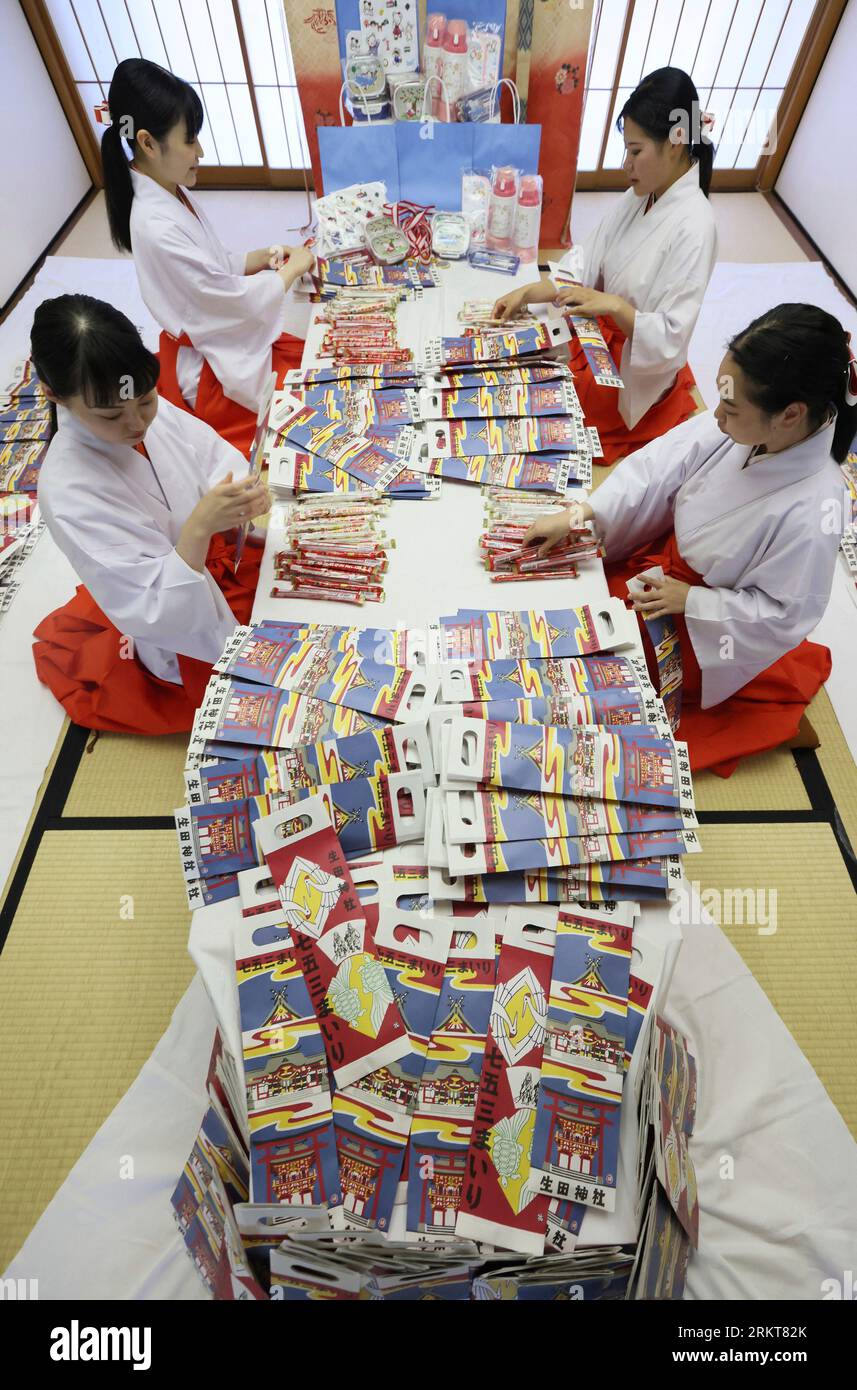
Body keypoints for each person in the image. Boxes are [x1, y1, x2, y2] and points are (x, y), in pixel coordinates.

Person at [522, 304, 855, 776]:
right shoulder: (745, 420)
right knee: (561, 604)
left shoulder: (818, 504)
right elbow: (658, 468)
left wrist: (694, 600)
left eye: (731, 408)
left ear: (790, 414)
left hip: (701, 624)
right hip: (662, 570)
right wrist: (584, 512)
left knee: (584, 681)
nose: (714, 415)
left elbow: (786, 613)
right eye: (720, 398)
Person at [31, 295, 271, 735]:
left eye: (147, 400)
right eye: (111, 415)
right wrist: (199, 525)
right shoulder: (68, 486)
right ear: (54, 396)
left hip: (211, 563)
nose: (137, 423)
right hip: (180, 614)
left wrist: (240, 496)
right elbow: (151, 606)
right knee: (270, 696)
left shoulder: (131, 401)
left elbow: (212, 455)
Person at [493, 67, 717, 464]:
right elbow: (586, 260)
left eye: (635, 151)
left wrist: (613, 305)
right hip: (598, 342)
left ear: (676, 144)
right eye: (626, 150)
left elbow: (670, 336)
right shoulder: (643, 193)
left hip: (633, 370)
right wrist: (529, 291)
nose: (626, 164)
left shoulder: (696, 226)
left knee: (538, 414)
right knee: (516, 364)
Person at [101, 58, 314, 454]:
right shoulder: (156, 224)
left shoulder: (163, 187)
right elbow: (234, 303)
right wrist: (292, 270)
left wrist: (265, 257)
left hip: (220, 334)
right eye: (189, 140)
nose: (200, 150)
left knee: (316, 363)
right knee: (308, 412)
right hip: (211, 369)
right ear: (148, 142)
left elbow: (214, 266)